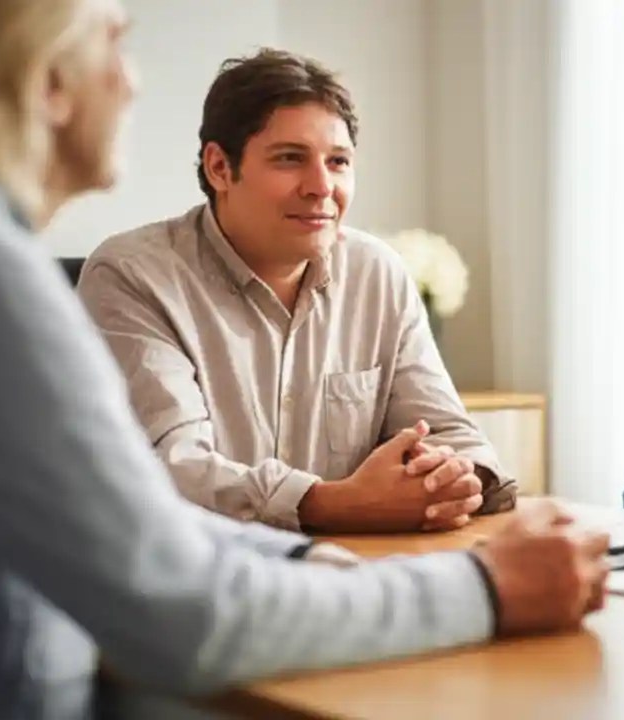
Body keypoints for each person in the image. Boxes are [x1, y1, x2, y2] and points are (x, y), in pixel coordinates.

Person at [0, 1, 609, 716]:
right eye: (115, 41)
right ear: (44, 79)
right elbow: (178, 604)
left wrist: (311, 559)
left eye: (336, 161)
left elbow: (138, 528)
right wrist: (482, 587)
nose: (135, 83)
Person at [76, 49, 511, 535]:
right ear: (219, 167)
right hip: (204, 583)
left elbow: (453, 436)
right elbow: (175, 471)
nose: (322, 186)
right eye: (290, 159)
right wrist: (335, 504)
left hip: (358, 571)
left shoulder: (377, 273)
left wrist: (455, 479)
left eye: (338, 162)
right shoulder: (131, 275)